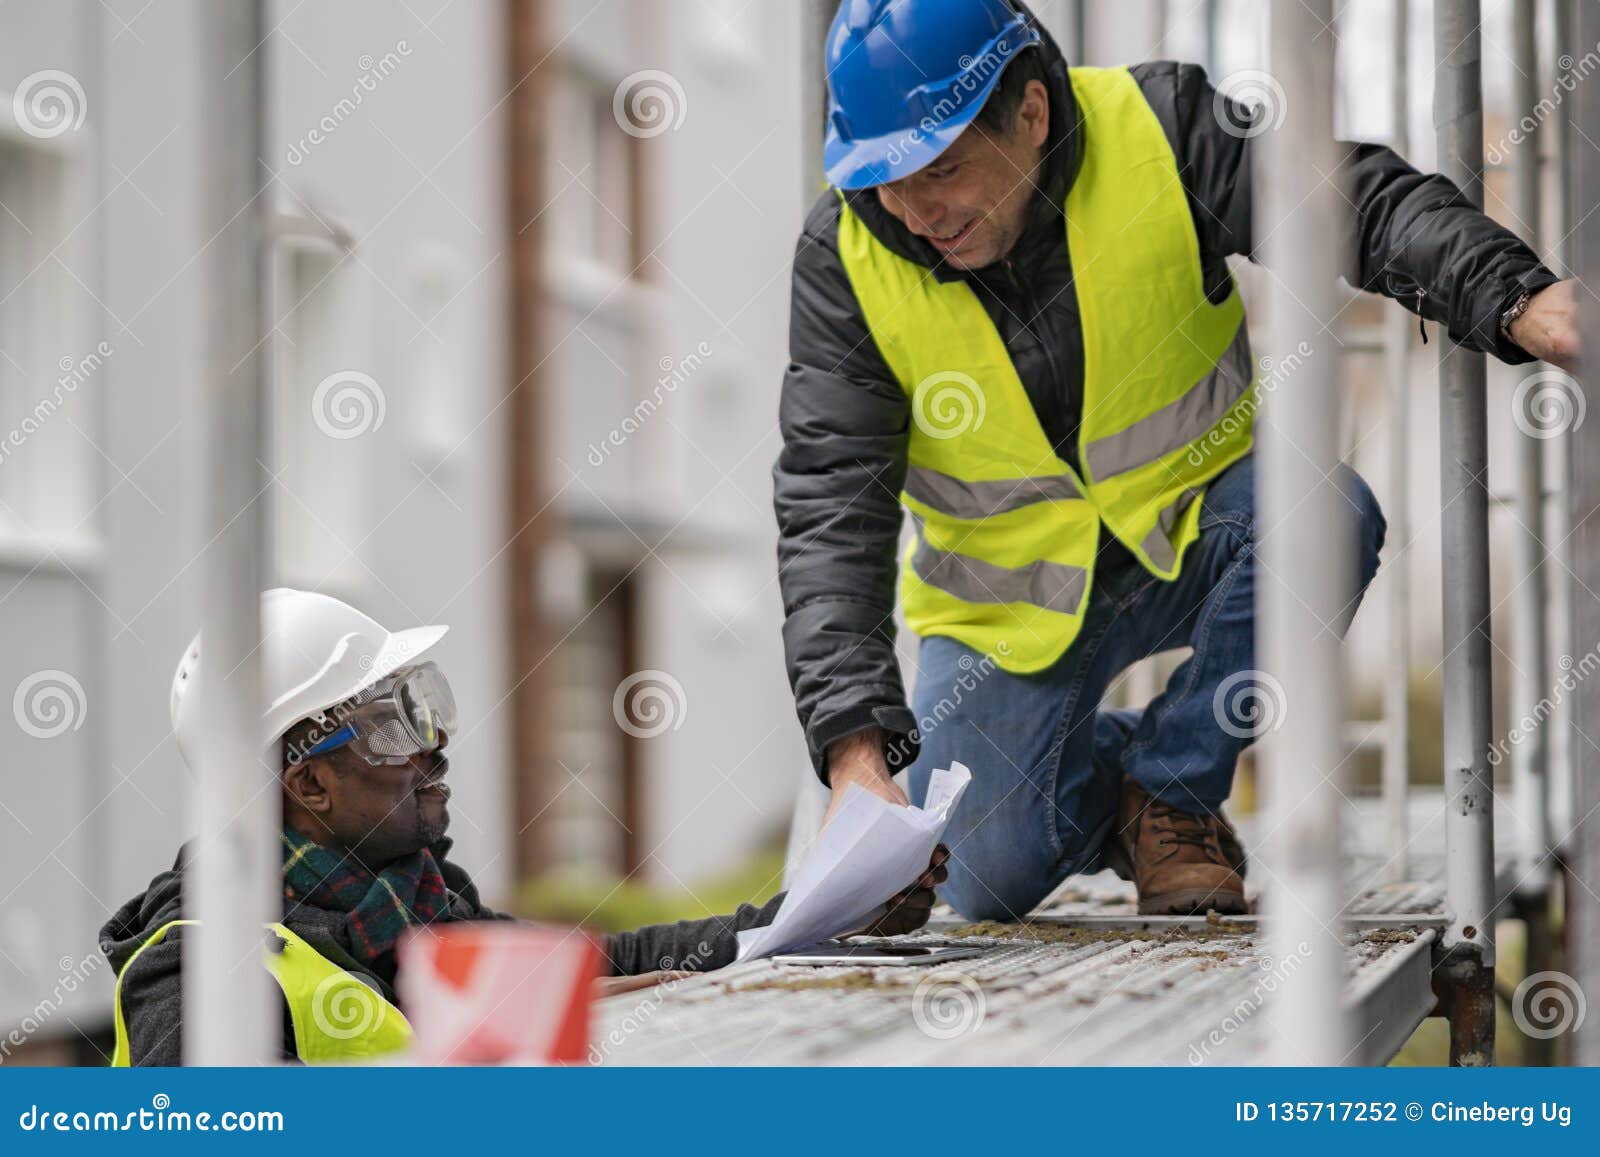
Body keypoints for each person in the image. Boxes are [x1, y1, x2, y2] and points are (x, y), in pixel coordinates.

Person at [774, 0, 1578, 918]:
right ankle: (1122, 786)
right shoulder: (843, 260)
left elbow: (1351, 200)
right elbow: (831, 504)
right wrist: (855, 754)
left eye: (943, 169)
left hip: (1200, 529)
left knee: (1323, 514)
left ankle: (1173, 787)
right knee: (987, 874)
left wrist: (1518, 295)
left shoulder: (1162, 130)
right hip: (1004, 607)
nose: (915, 213)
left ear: (1031, 113)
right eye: (886, 182)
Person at [102, 589, 947, 1065]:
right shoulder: (197, 971)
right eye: (399, 720)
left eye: (431, 702)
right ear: (311, 781)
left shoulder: (419, 900)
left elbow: (603, 960)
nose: (436, 745)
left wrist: (817, 914)